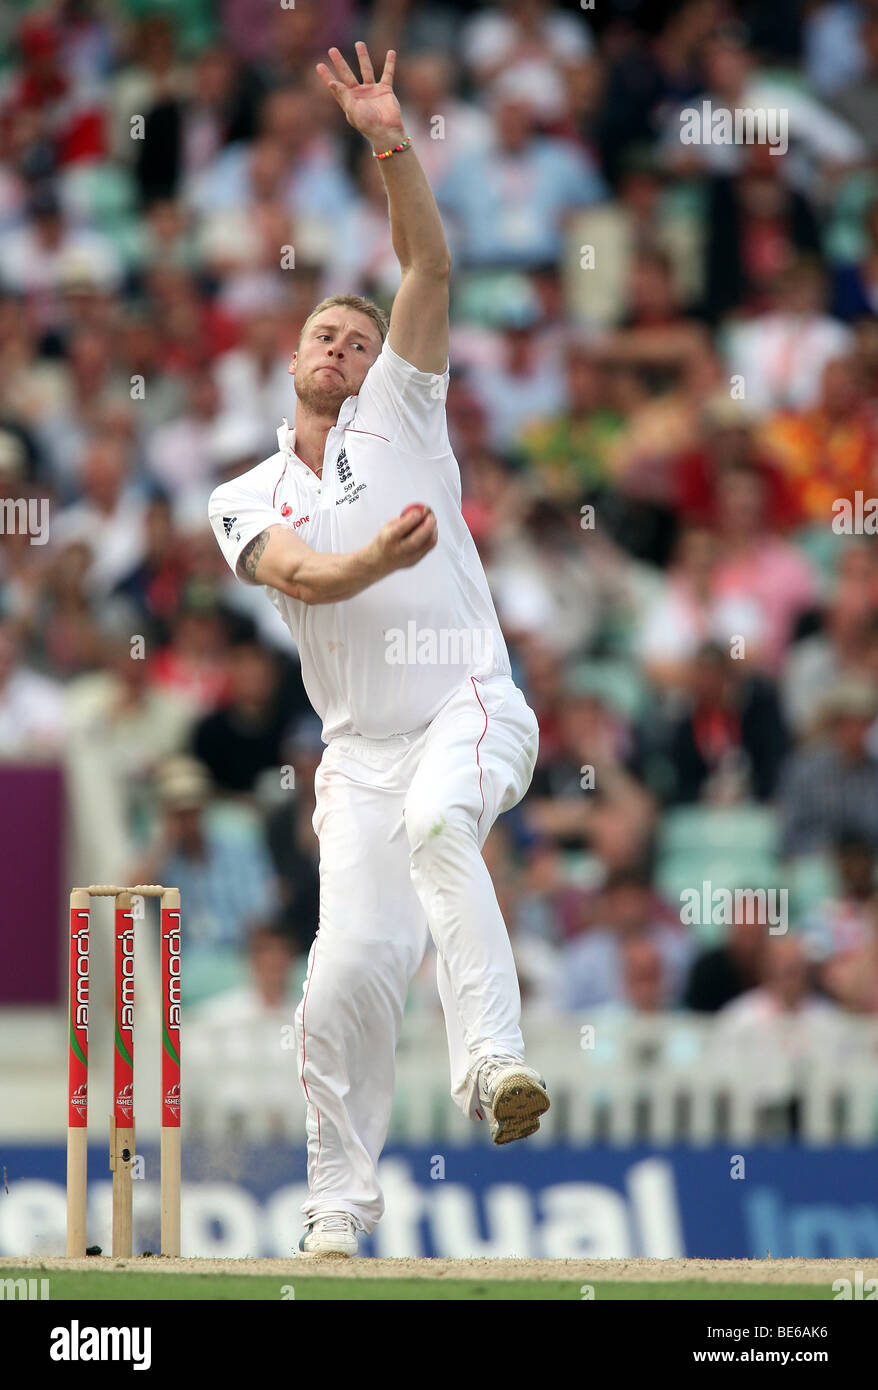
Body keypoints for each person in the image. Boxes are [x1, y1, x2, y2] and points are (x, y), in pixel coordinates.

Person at [208, 41, 547, 1260]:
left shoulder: (402, 409)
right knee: (343, 973)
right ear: (290, 358)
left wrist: (386, 139)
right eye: (325, 336)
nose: (345, 349)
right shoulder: (243, 492)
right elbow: (295, 577)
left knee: (442, 823)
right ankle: (339, 1209)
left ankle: (495, 1067)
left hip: (469, 702)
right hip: (355, 754)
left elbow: (430, 264)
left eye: (360, 337)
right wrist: (374, 569)